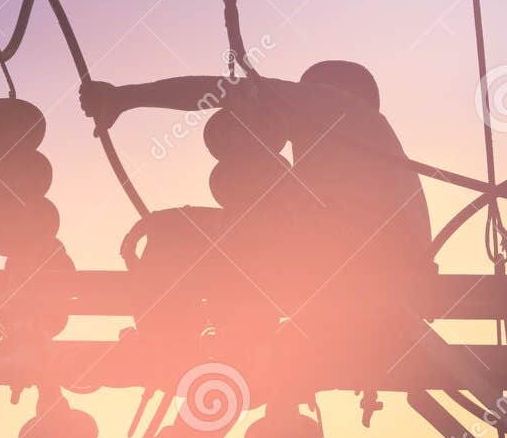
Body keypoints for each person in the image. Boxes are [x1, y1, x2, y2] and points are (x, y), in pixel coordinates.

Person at [80, 62, 436, 331]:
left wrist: (124, 97)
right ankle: (235, 345)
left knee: (172, 239)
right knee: (202, 235)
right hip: (365, 269)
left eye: (298, 93)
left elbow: (223, 90)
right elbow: (277, 220)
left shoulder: (336, 106)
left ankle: (162, 351)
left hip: (355, 269)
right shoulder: (363, 154)